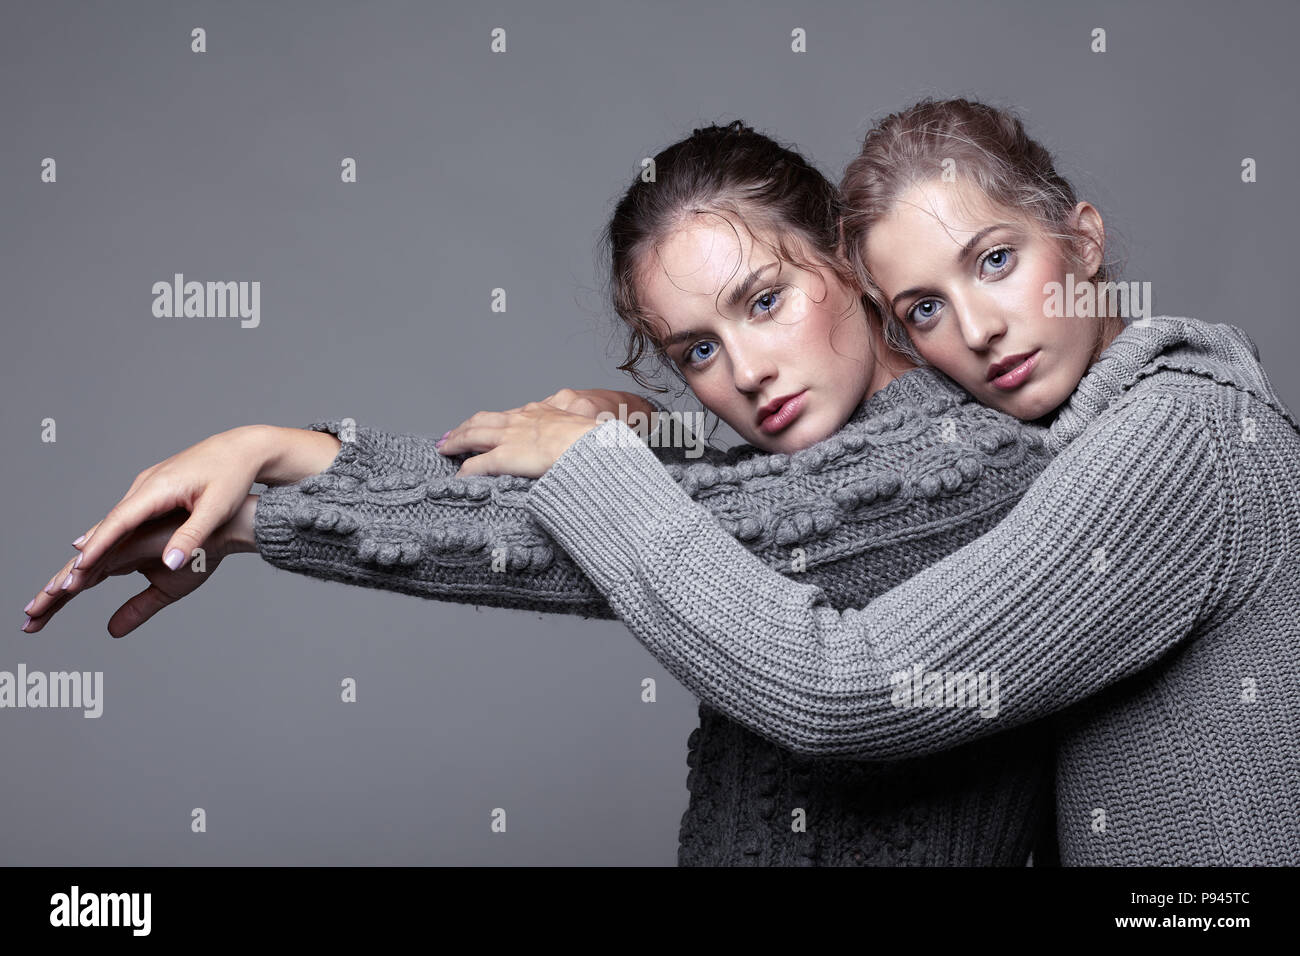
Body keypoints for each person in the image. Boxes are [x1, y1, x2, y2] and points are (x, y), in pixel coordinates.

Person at [22, 121, 1068, 866]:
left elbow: (589, 539)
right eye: (697, 347)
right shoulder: (755, 463)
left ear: (849, 265)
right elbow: (546, 500)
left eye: (765, 300)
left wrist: (267, 493)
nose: (744, 369)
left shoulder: (969, 463)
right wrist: (292, 451)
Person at [428, 99, 1298, 864]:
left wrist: (599, 470)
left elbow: (850, 688)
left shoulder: (1182, 434)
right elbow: (810, 513)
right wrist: (666, 441)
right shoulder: (1065, 447)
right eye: (924, 308)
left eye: (995, 260)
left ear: (1085, 238)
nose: (981, 329)